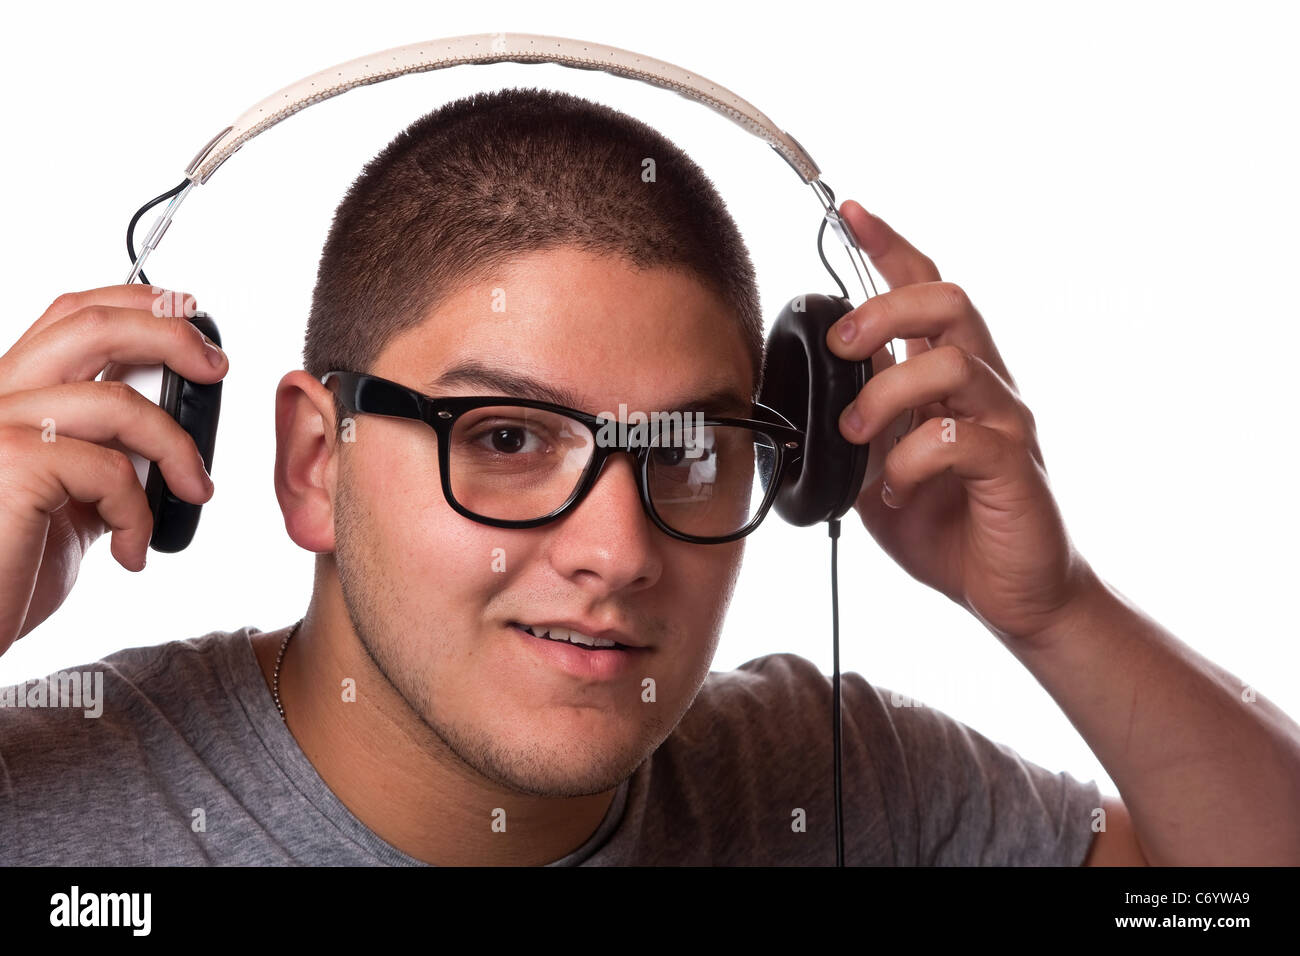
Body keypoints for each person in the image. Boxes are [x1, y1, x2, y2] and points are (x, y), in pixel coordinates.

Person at [0, 88, 1295, 866]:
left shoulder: (835, 785)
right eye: (507, 438)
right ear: (313, 464)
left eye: (689, 448)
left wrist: (1054, 609)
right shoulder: (43, 801)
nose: (616, 553)